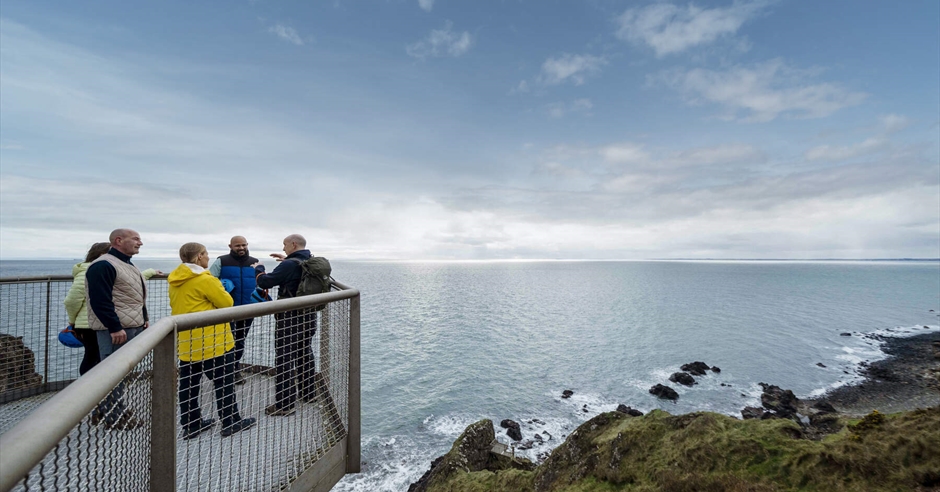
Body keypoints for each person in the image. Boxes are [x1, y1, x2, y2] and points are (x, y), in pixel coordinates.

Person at [169, 242, 256, 439]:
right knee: (223, 382)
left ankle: (191, 424)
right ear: (199, 257)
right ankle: (230, 422)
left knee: (189, 384)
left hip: (187, 340)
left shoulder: (175, 279)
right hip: (213, 340)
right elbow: (227, 303)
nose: (208, 258)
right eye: (206, 254)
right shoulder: (205, 279)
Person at [85, 229, 149, 430]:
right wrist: (114, 327)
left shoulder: (125, 263)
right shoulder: (103, 265)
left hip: (131, 326)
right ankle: (115, 417)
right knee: (113, 374)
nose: (140, 242)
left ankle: (104, 412)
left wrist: (144, 319)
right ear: (119, 240)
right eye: (136, 239)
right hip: (118, 330)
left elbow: (133, 296)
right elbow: (100, 300)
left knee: (120, 373)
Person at [65, 242, 159, 376]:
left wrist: (151, 272)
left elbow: (127, 282)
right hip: (91, 324)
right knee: (93, 357)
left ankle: (94, 389)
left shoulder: (112, 267)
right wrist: (72, 321)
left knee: (97, 356)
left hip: (95, 322)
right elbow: (71, 301)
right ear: (103, 254)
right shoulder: (95, 269)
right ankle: (88, 389)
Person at [255, 234, 317, 416]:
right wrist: (286, 261)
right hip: (309, 315)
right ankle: (308, 393)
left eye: (284, 245)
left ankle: (285, 405)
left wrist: (258, 268)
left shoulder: (290, 264)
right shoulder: (310, 260)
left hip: (290, 318)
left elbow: (265, 281)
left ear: (293, 244)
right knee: (304, 352)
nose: (283, 248)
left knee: (284, 358)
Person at [209, 235, 258, 384]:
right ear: (230, 246)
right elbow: (210, 282)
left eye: (244, 245)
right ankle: (223, 372)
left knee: (239, 342)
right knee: (224, 343)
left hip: (248, 311)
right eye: (237, 246)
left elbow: (261, 281)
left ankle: (233, 370)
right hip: (226, 311)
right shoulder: (221, 261)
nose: (241, 248)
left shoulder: (254, 262)